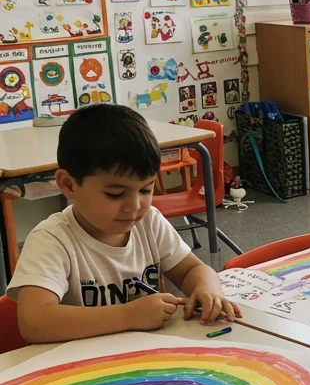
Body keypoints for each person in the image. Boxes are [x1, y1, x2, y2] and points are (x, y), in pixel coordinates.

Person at [8, 105, 241, 343]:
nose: (135, 206)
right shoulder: (52, 240)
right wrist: (128, 315)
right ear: (68, 185)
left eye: (145, 189)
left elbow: (191, 269)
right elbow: (35, 322)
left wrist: (208, 288)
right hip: (84, 367)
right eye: (115, 194)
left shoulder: (149, 222)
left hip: (148, 356)